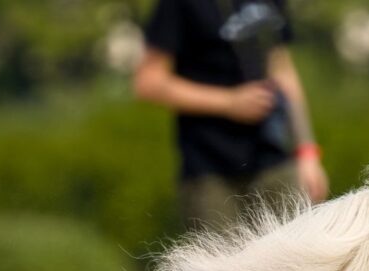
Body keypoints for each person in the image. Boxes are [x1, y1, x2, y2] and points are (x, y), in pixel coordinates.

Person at [134, 0, 329, 232]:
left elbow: (282, 70)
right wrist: (229, 102)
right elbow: (148, 82)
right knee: (224, 266)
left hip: (276, 157)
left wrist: (307, 152)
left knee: (297, 258)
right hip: (211, 169)